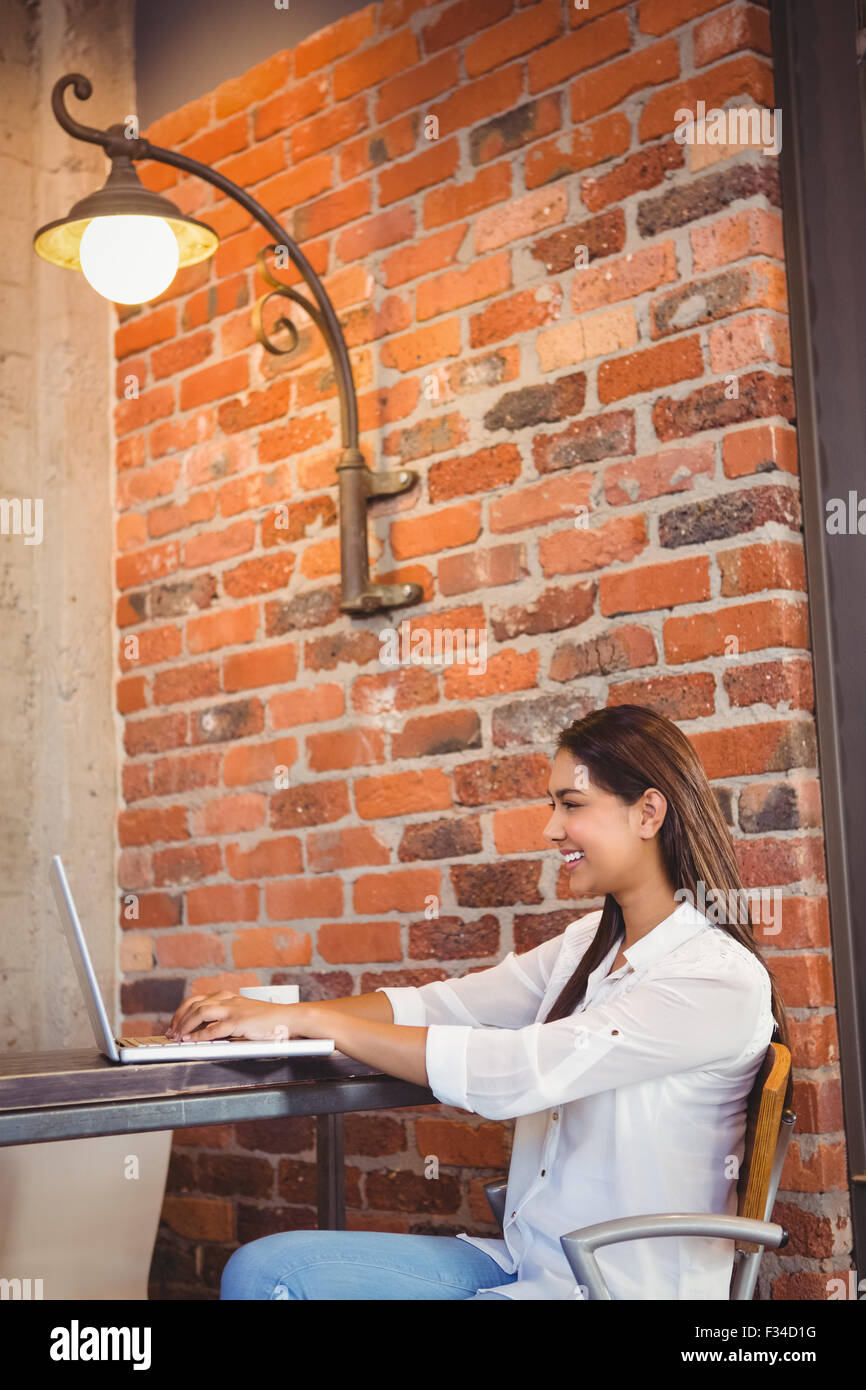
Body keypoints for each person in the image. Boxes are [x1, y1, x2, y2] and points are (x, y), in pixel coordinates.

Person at [166, 703, 790, 1300]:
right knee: (267, 1271)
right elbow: (443, 1005)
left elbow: (521, 1070)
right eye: (552, 806)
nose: (550, 829)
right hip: (524, 1263)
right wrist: (267, 1016)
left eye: (571, 805)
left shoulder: (715, 980)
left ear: (648, 813)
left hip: (610, 1286)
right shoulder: (587, 948)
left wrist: (309, 1020)